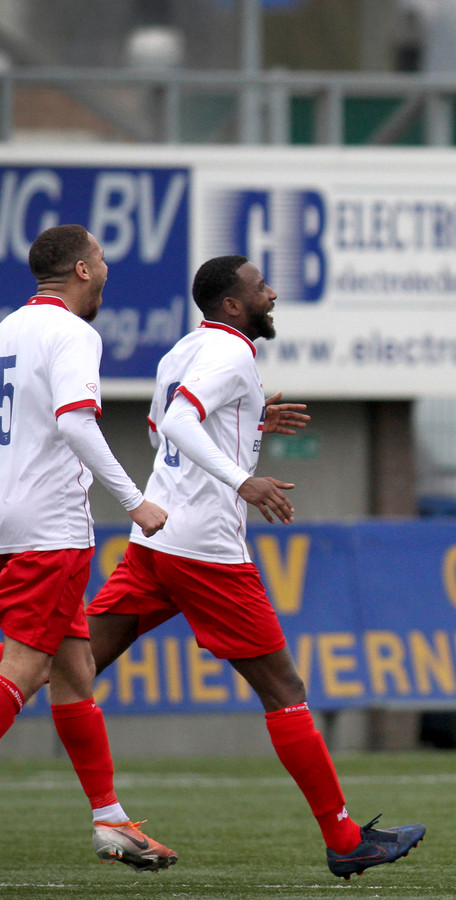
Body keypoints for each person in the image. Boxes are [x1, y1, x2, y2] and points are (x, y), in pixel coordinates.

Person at [84, 255, 426, 880]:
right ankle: (345, 839)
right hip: (206, 551)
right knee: (285, 690)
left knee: (69, 664)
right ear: (234, 306)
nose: (272, 293)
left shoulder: (182, 351)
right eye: (261, 287)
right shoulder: (234, 353)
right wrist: (243, 478)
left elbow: (164, 428)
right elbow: (184, 422)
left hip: (155, 539)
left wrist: (250, 426)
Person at [0, 224, 176, 872]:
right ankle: (109, 819)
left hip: (5, 521)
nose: (106, 270)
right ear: (80, 270)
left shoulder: (8, 329)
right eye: (101, 259)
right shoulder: (73, 334)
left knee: (74, 673)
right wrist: (136, 502)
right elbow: (76, 420)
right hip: (49, 528)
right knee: (21, 668)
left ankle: (111, 822)